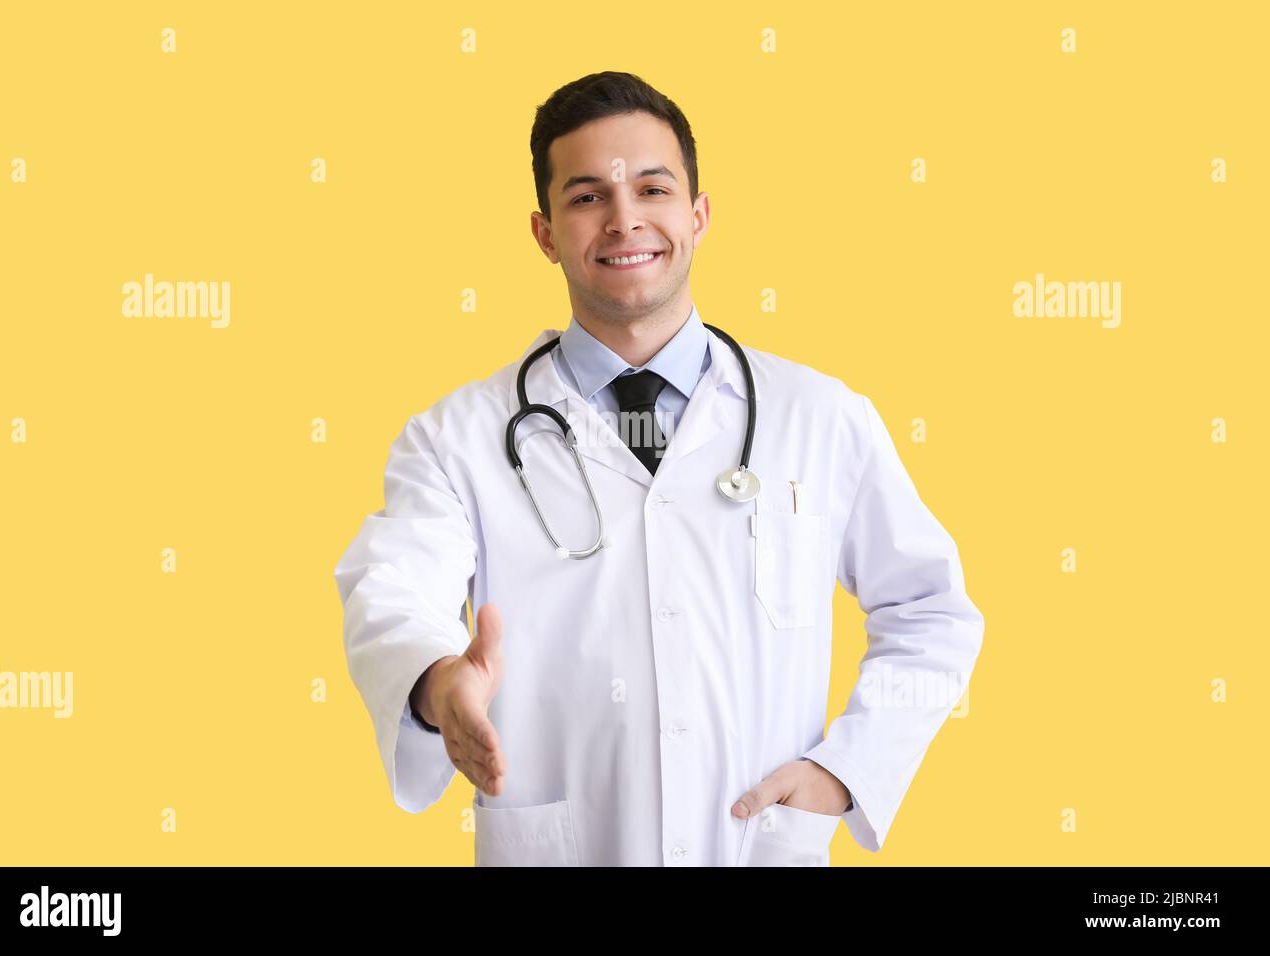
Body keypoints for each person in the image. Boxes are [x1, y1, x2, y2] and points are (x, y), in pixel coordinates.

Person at [333, 71, 984, 866]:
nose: (624, 220)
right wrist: (440, 686)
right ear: (544, 234)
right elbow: (391, 593)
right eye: (586, 198)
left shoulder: (822, 417)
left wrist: (846, 771)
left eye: (652, 188)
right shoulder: (456, 438)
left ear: (699, 215)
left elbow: (931, 611)